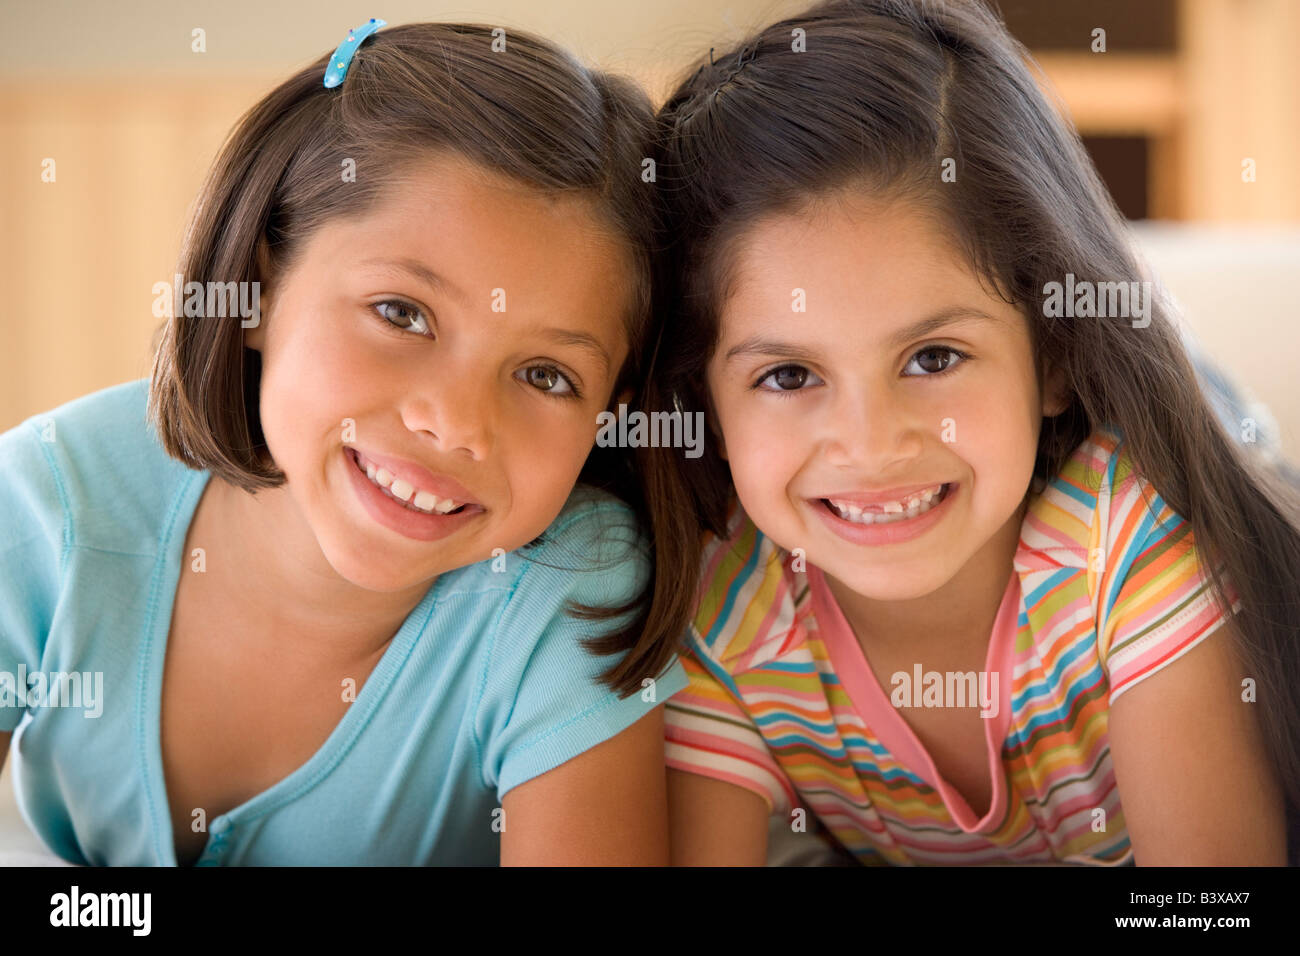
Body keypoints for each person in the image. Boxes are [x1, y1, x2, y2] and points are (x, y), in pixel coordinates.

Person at [0, 20, 687, 865]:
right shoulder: (48, 505)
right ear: (256, 288)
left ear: (607, 417)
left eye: (546, 376)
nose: (457, 423)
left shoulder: (569, 588)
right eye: (402, 314)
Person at [643, 0, 1300, 865]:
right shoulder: (724, 616)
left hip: (1180, 432)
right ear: (708, 409)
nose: (871, 443)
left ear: (1054, 356)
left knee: (1201, 414)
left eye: (933, 356)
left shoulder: (1126, 536)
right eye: (789, 376)